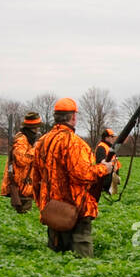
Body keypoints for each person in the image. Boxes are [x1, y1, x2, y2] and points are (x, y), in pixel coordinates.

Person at [31, 97, 113, 256]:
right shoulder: (73, 142)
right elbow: (83, 174)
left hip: (52, 209)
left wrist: (43, 205)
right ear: (73, 117)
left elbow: (35, 178)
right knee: (81, 265)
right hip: (75, 209)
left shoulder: (42, 142)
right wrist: (104, 168)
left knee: (55, 262)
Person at [0, 111, 42, 211]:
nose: (38, 129)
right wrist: (36, 149)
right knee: (21, 212)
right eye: (37, 127)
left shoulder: (28, 138)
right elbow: (21, 160)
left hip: (25, 184)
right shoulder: (21, 139)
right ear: (33, 127)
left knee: (23, 214)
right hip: (20, 185)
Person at [94, 128, 122, 198]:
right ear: (106, 138)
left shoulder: (110, 147)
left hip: (111, 182)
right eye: (111, 137)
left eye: (113, 137)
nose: (113, 138)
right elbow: (101, 163)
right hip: (105, 183)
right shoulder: (101, 147)